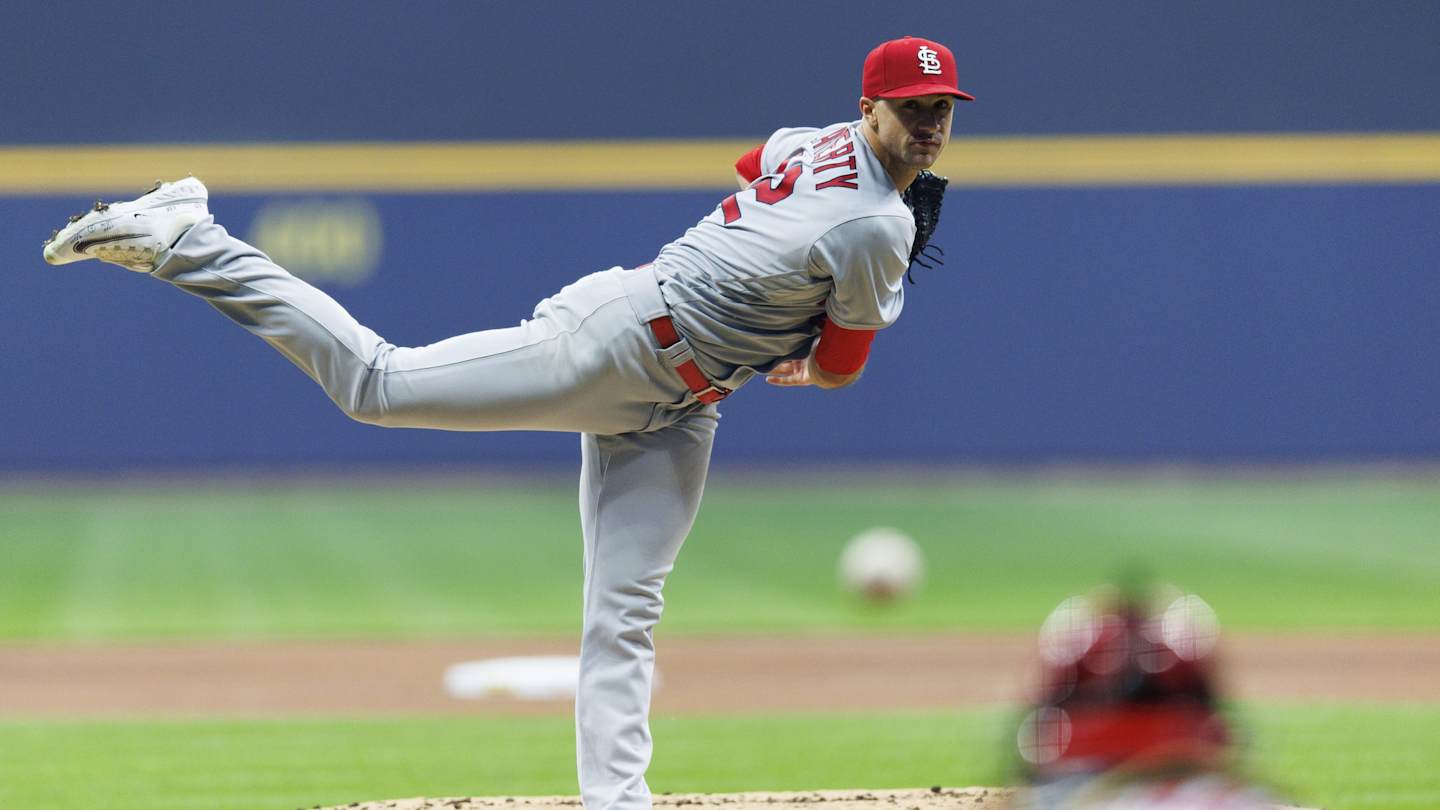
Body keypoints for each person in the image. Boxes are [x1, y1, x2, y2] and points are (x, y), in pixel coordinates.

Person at [42, 36, 970, 810]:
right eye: (912, 106)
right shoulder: (877, 227)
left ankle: (618, 800)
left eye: (943, 108)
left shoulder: (817, 143)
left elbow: (751, 169)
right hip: (617, 344)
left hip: (683, 401)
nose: (930, 123)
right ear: (872, 105)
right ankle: (187, 235)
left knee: (625, 612)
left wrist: (768, 268)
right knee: (376, 382)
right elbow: (842, 369)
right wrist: (798, 344)